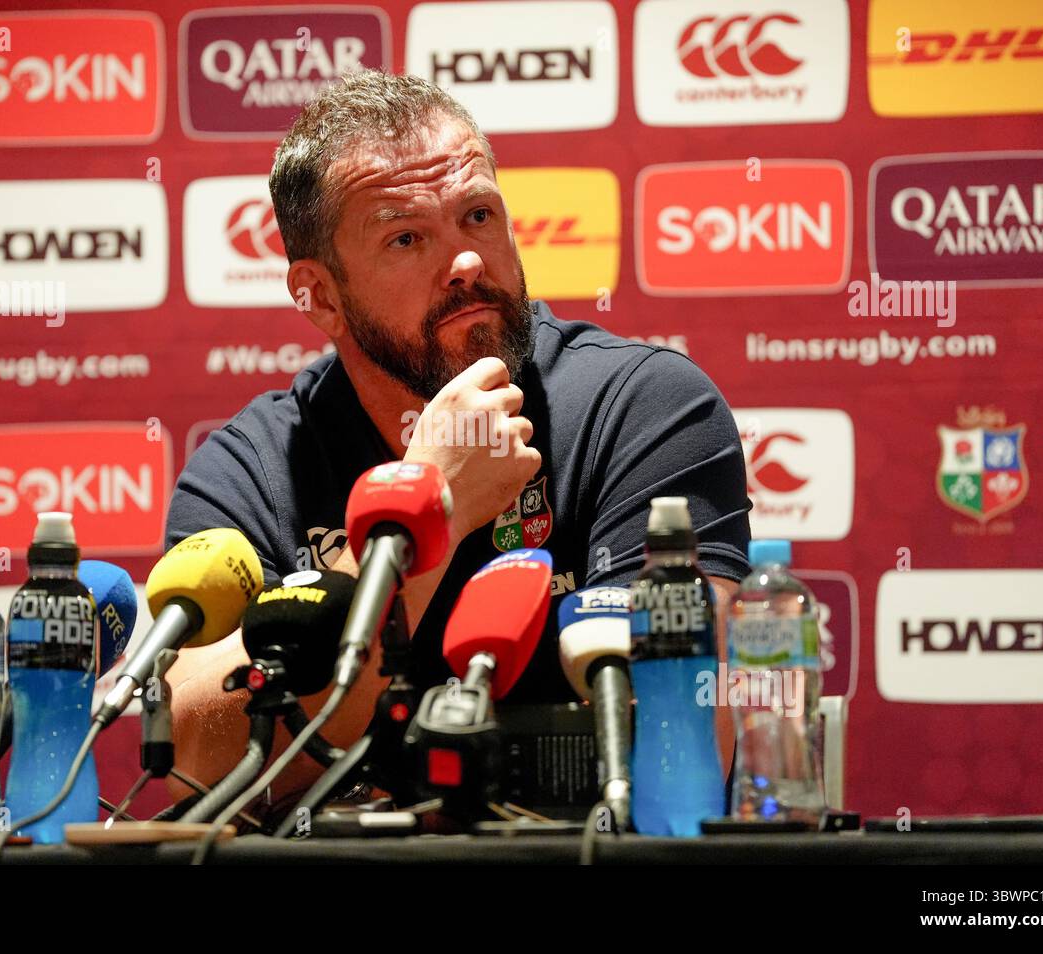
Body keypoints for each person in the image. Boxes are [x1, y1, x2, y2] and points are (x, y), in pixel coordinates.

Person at [163, 69, 751, 808]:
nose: (469, 262)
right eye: (407, 237)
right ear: (320, 295)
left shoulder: (646, 408)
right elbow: (195, 754)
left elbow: (676, 737)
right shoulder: (252, 470)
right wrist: (425, 510)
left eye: (478, 216)